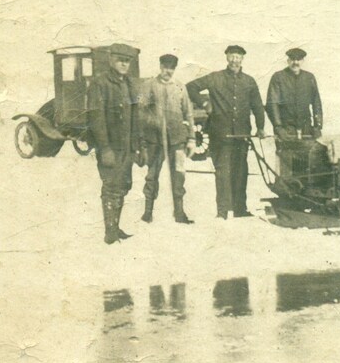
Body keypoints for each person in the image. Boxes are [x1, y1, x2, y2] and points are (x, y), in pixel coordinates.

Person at [186, 45, 266, 219]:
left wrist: (260, 126)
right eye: (232, 56)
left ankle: (240, 209)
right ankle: (222, 211)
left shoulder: (249, 81)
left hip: (242, 135)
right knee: (222, 172)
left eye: (238, 57)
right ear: (227, 58)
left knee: (241, 172)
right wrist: (205, 104)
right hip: (220, 135)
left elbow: (258, 106)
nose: (235, 60)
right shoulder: (215, 78)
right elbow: (191, 87)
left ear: (242, 59)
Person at [88, 43, 141, 244]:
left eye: (127, 61)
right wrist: (105, 148)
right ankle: (110, 232)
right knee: (111, 186)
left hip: (127, 147)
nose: (123, 64)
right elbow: (96, 118)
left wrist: (138, 146)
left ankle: (116, 227)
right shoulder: (100, 84)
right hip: (111, 148)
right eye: (120, 60)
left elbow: (136, 116)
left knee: (123, 186)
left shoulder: (130, 85)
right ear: (111, 60)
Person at [138, 54, 197, 225]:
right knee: (152, 175)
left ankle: (179, 213)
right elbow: (140, 110)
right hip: (155, 140)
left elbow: (188, 113)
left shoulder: (179, 87)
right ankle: (147, 213)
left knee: (179, 175)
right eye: (165, 67)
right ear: (160, 66)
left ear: (174, 69)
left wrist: (191, 138)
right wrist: (153, 121)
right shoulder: (148, 85)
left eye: (171, 68)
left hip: (177, 140)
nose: (167, 71)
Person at [265, 48, 323, 141]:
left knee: (308, 154)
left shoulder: (309, 78)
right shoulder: (278, 77)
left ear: (303, 61)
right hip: (285, 129)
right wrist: (278, 127)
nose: (295, 62)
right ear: (288, 61)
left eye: (298, 59)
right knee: (287, 154)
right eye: (292, 59)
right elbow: (272, 103)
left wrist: (318, 126)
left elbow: (316, 102)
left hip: (306, 128)